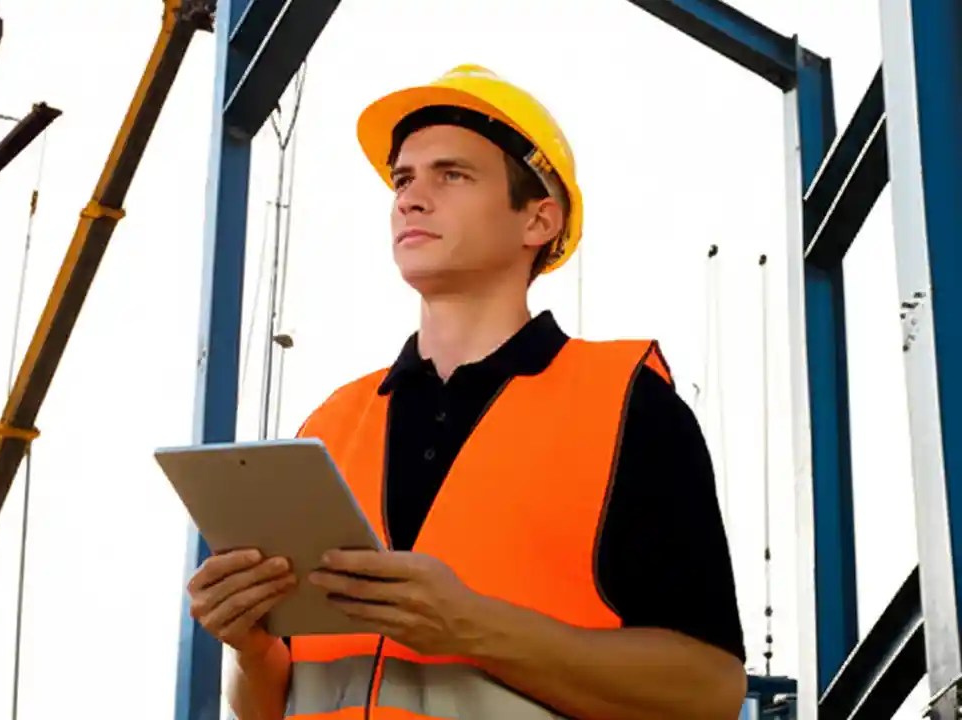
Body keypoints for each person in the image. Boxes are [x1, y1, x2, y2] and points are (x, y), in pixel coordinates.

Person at [185, 64, 748, 720]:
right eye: (403, 179)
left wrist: (469, 627)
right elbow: (274, 705)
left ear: (538, 219)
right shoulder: (331, 427)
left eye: (451, 175)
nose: (410, 198)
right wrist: (249, 648)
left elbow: (709, 692)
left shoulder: (629, 408)